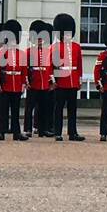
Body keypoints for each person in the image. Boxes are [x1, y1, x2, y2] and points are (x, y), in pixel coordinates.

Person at [51, 12, 85, 142]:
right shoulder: (55, 47)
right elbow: (52, 65)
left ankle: (73, 132)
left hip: (73, 81)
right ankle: (58, 132)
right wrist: (54, 80)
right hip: (61, 81)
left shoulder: (76, 47)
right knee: (58, 109)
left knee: (72, 110)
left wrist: (79, 80)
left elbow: (79, 65)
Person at [0, 20, 28, 141]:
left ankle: (16, 132)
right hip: (5, 85)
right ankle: (1, 132)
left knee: (15, 111)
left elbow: (24, 71)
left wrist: (24, 84)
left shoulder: (22, 54)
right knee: (3, 111)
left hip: (16, 85)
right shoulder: (2, 53)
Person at [25, 19, 55, 138]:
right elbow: (26, 69)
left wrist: (51, 82)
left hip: (44, 83)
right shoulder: (28, 52)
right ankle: (28, 128)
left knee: (43, 107)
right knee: (29, 108)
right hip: (33, 82)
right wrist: (26, 81)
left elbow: (50, 68)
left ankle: (42, 129)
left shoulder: (48, 52)